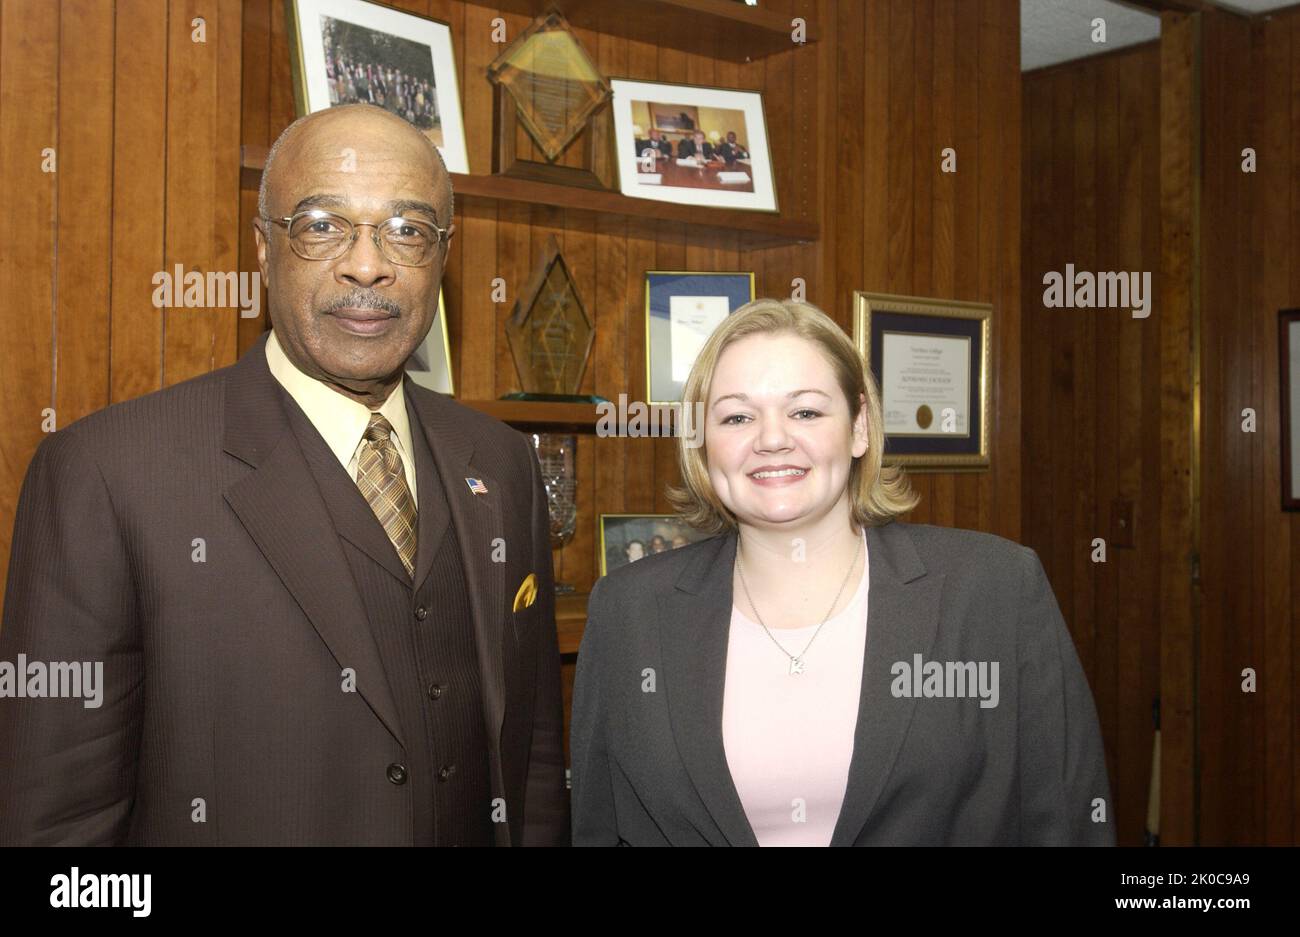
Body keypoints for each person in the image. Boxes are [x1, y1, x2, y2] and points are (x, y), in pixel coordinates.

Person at [0, 104, 568, 846]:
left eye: (407, 229)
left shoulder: (502, 462)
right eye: (322, 225)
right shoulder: (106, 475)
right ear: (264, 248)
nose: (368, 264)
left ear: (442, 255)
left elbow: (532, 764)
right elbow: (58, 835)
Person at [570, 299, 1114, 846]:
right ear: (702, 442)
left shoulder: (995, 589)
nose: (772, 438)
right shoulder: (628, 611)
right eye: (737, 416)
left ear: (859, 428)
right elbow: (598, 828)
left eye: (805, 411)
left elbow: (1066, 821)